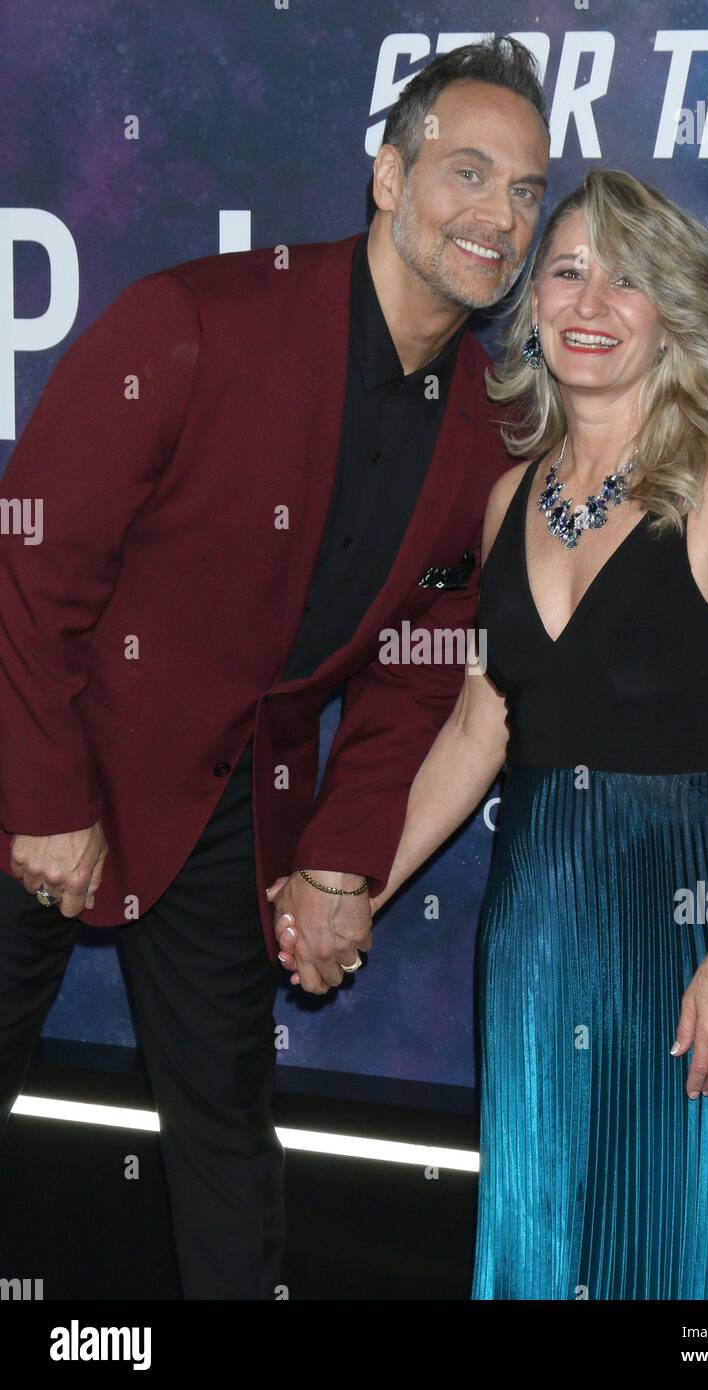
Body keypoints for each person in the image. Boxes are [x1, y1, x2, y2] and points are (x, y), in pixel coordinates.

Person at [0, 36, 550, 1298]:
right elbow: (31, 563)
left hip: (222, 816)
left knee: (231, 1164)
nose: (498, 217)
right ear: (385, 177)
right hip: (48, 751)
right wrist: (43, 799)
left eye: (524, 192)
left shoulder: (487, 428)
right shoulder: (194, 322)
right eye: (467, 172)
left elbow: (417, 670)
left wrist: (342, 858)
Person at [369, 168, 708, 1299]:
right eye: (565, 270)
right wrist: (355, 886)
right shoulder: (506, 499)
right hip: (535, 919)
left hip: (679, 911)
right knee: (539, 1220)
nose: (587, 301)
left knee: (675, 1236)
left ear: (669, 308)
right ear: (529, 304)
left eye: (624, 279)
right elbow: (481, 720)